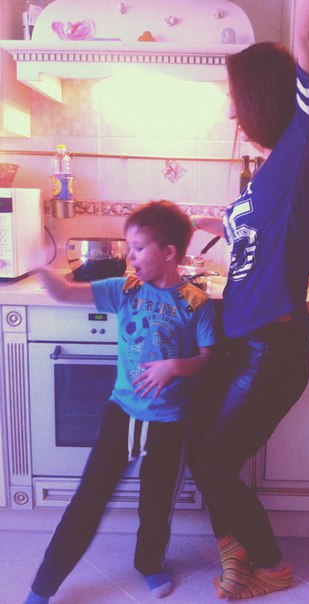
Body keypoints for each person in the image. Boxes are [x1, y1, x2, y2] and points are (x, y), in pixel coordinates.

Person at [187, 0, 309, 600]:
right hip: (242, 340)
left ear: (260, 97)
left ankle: (272, 567)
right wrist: (212, 224)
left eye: (234, 97)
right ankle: (236, 556)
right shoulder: (275, 168)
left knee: (213, 462)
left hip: (271, 350)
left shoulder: (305, 145)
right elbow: (256, 229)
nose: (231, 110)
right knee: (202, 454)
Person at [24, 200, 216, 604]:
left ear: (169, 252)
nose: (130, 256)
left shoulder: (196, 302)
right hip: (122, 413)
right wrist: (39, 267)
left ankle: (149, 563)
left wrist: (174, 367)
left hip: (169, 420)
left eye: (139, 248)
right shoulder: (125, 290)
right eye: (129, 247)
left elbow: (207, 359)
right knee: (88, 500)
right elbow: (65, 292)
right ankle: (43, 585)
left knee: (156, 503)